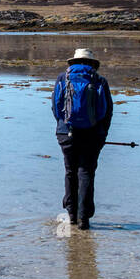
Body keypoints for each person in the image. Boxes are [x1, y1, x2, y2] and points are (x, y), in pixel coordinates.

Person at [51, 48, 113, 230]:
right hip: (94, 134)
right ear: (92, 64)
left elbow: (56, 107)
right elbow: (108, 111)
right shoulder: (100, 80)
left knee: (70, 171)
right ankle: (84, 219)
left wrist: (63, 128)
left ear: (73, 62)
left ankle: (71, 216)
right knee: (86, 172)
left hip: (66, 133)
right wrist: (103, 134)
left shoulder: (63, 78)